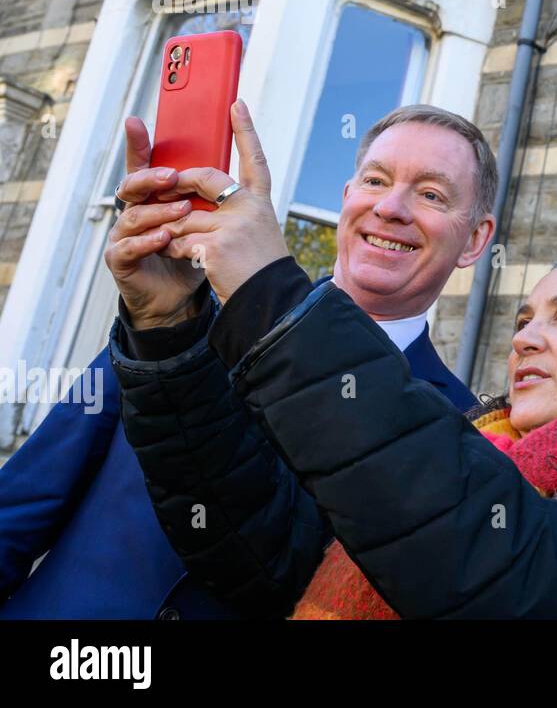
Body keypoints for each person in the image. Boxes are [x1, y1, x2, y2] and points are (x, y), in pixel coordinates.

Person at [113, 102, 557, 618]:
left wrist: (271, 292)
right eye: (523, 318)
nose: (526, 337)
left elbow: (510, 568)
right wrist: (169, 328)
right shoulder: (474, 450)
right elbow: (272, 557)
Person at [0, 103, 495, 619]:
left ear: (476, 239)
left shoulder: (461, 430)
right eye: (375, 180)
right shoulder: (181, 318)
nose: (391, 207)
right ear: (347, 198)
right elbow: (24, 501)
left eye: (431, 194)